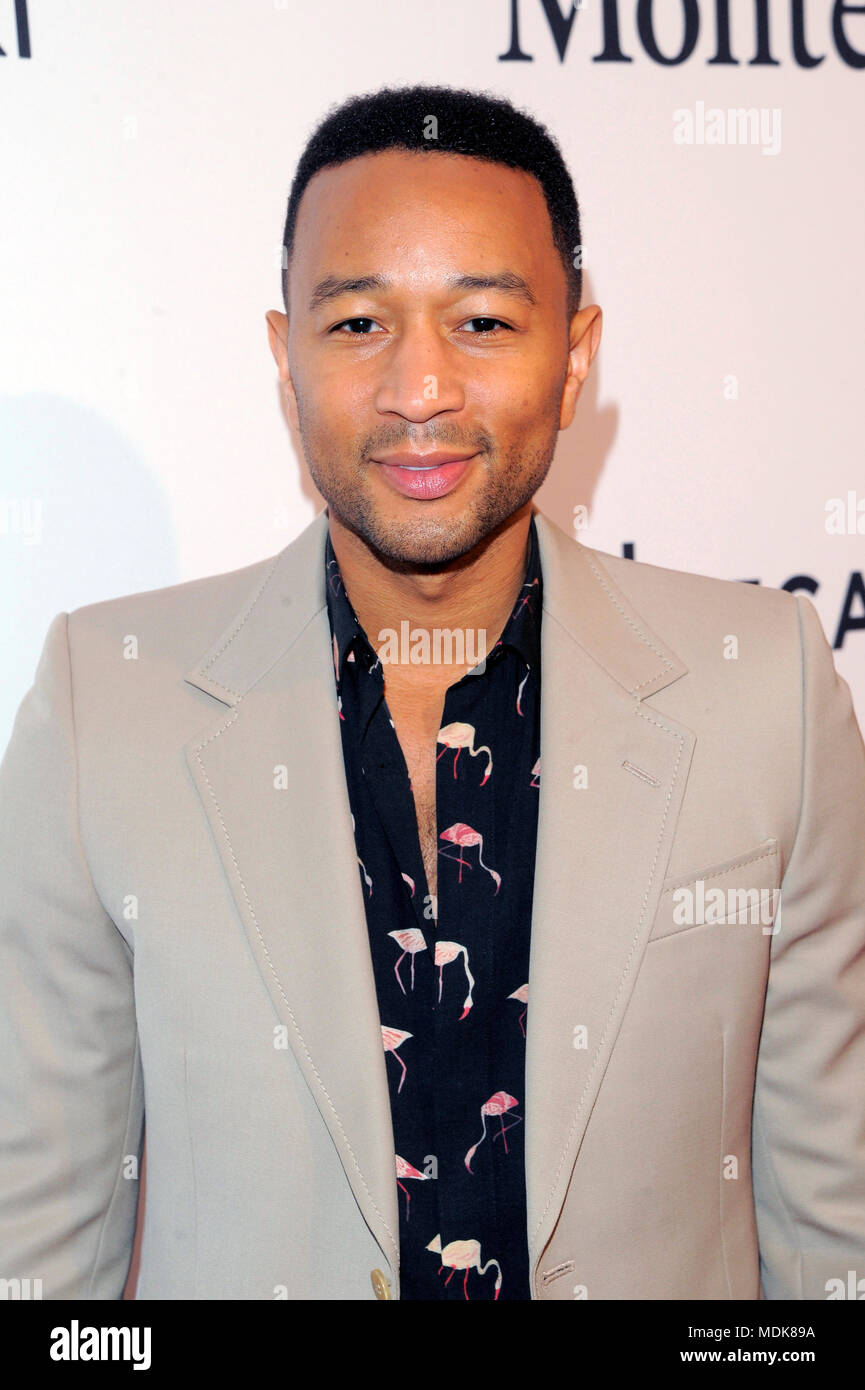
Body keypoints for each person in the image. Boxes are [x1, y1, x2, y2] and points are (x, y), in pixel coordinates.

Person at [1, 84, 864, 1302]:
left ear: (573, 359)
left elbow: (834, 1214)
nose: (420, 391)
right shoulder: (110, 705)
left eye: (482, 324)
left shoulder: (761, 687)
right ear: (282, 356)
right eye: (357, 324)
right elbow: (40, 1240)